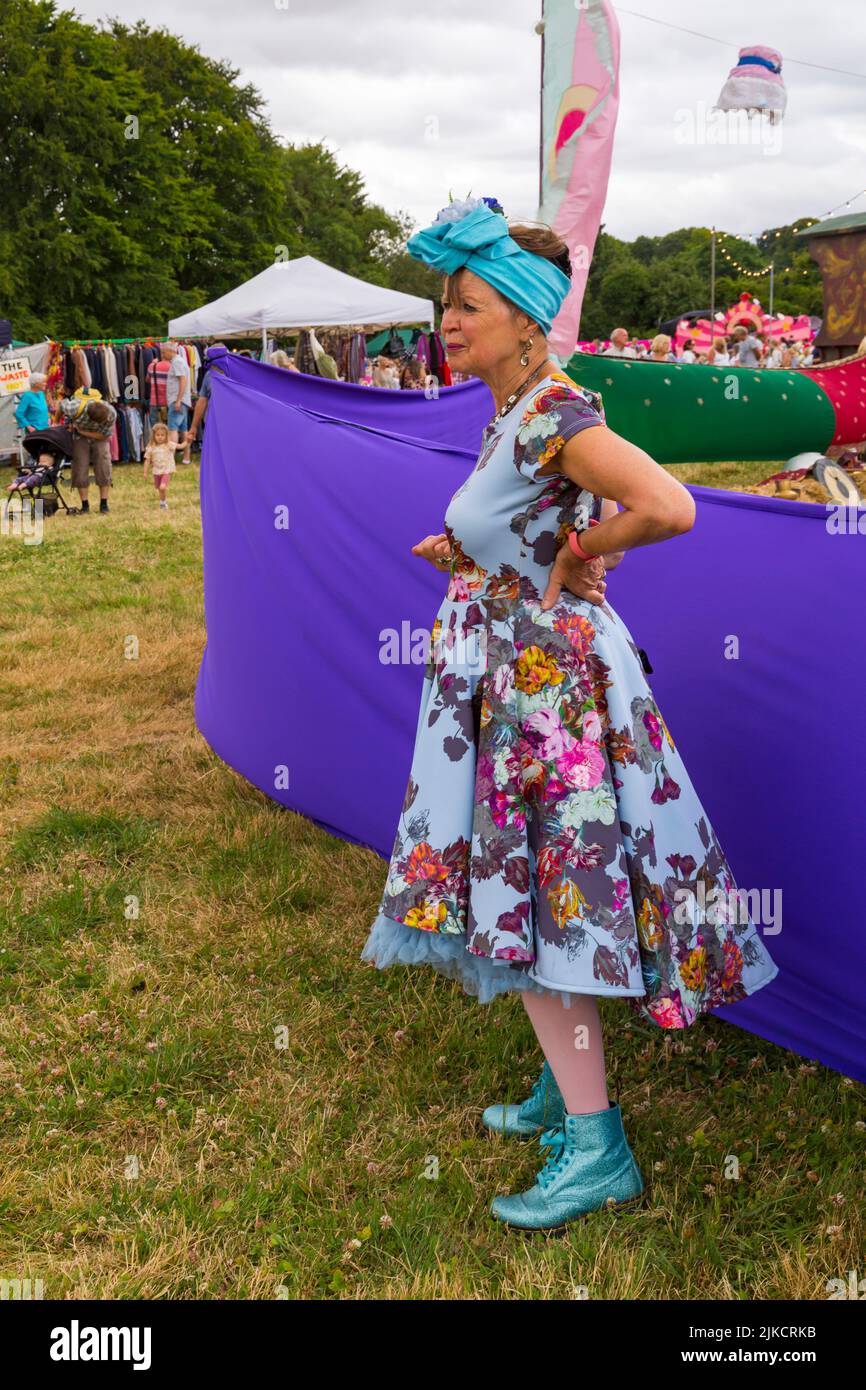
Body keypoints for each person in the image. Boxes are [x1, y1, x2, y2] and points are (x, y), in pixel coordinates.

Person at [360, 196, 780, 1232]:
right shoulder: (517, 411)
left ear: (524, 322)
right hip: (511, 677)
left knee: (548, 901)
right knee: (534, 897)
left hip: (543, 699)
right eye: (444, 306)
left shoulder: (554, 411)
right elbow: (537, 516)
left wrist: (582, 552)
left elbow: (667, 505)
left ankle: (597, 1153)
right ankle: (566, 1084)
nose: (447, 323)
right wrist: (486, 551)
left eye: (469, 305)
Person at [59, 391, 116, 514]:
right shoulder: (75, 407)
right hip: (80, 435)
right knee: (80, 466)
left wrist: (82, 431)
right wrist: (57, 422)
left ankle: (104, 504)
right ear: (88, 417)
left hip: (94, 435)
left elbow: (103, 436)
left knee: (103, 465)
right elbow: (60, 405)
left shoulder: (111, 414)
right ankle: (85, 505)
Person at [185, 342, 227, 448]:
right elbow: (201, 402)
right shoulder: (209, 376)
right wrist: (194, 427)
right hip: (213, 422)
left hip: (234, 424)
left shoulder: (236, 373)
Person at [166, 342, 192, 463]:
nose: (162, 354)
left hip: (177, 400)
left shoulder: (177, 362)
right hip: (181, 400)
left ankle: (170, 458)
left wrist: (178, 400)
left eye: (163, 351)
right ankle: (186, 457)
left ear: (170, 351)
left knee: (173, 429)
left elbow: (183, 379)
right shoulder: (179, 361)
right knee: (184, 430)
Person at [142, 421, 177, 509]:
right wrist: (145, 472)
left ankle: (163, 503)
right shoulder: (150, 447)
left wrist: (188, 441)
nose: (160, 437)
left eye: (162, 435)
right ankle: (162, 502)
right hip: (156, 471)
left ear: (166, 436)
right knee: (159, 488)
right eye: (158, 435)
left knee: (162, 487)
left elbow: (180, 446)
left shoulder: (168, 445)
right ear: (154, 436)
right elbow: (147, 461)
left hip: (166, 470)